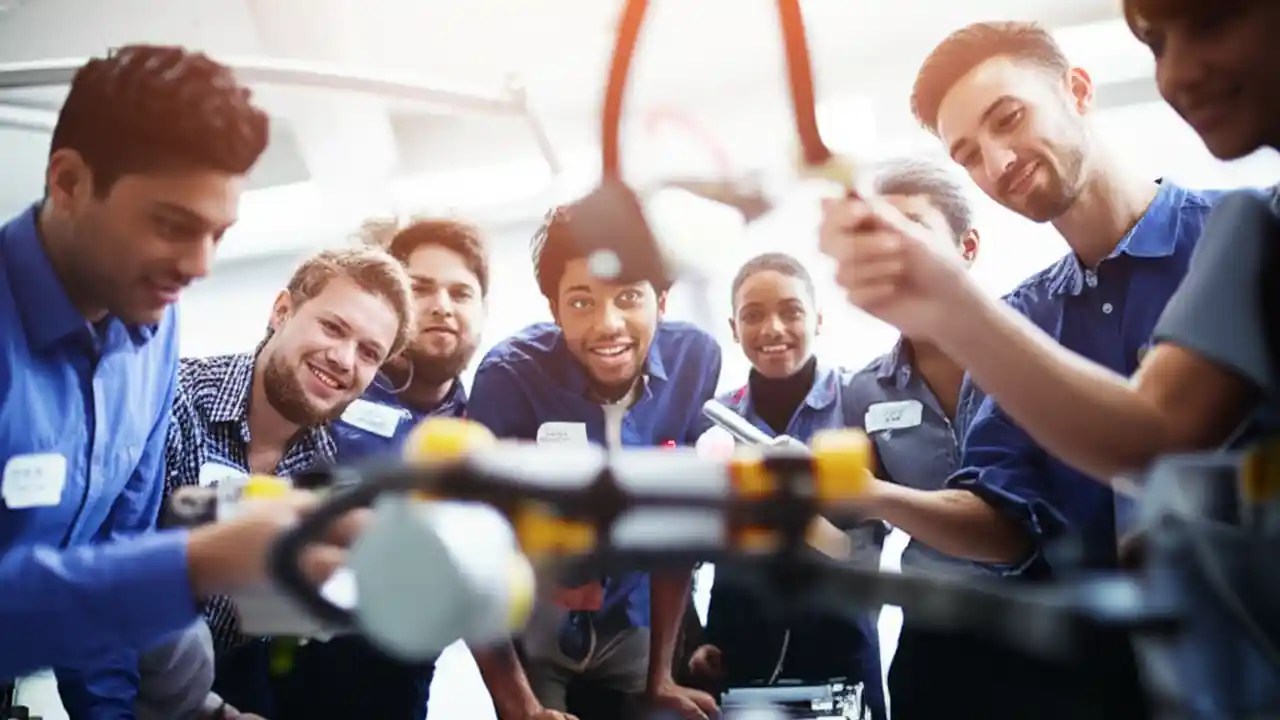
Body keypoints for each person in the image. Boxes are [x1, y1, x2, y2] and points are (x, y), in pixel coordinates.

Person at [821, 3, 1280, 715]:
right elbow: (1005, 529)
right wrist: (867, 495)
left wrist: (945, 300)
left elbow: (1152, 434)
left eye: (1008, 119)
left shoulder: (1243, 230)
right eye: (968, 153)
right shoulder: (1021, 323)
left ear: (1078, 90)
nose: (997, 163)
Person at [0, 43, 275, 716]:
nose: (200, 265)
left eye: (218, 233)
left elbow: (112, 551)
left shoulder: (153, 322)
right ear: (67, 182)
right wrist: (197, 562)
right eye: (173, 225)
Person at [686, 160, 997, 720]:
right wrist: (695, 637)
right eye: (753, 316)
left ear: (819, 320)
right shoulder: (711, 423)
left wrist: (802, 512)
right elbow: (689, 548)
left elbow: (867, 535)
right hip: (739, 650)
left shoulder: (859, 401)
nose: (772, 329)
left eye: (790, 311)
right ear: (732, 329)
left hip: (841, 646)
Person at [467, 204, 722, 720]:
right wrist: (519, 704)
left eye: (629, 297)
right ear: (555, 309)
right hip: (537, 631)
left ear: (663, 300)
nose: (607, 325)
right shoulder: (508, 378)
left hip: (634, 620)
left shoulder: (697, 361)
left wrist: (662, 679)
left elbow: (676, 531)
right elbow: (474, 547)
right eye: (581, 302)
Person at [160, 246, 415, 717]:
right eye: (333, 327)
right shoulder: (173, 405)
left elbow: (270, 622)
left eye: (368, 352)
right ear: (282, 311)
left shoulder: (326, 466)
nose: (343, 358)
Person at [267, 218, 489, 720]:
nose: (442, 306)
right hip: (283, 655)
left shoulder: (481, 427)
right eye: (422, 288)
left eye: (462, 293)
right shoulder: (328, 386)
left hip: (399, 674)